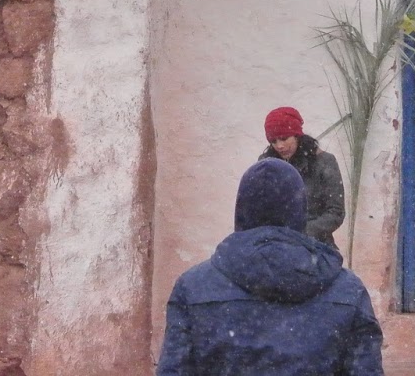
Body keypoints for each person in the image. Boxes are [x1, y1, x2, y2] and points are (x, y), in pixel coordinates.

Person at [156, 158, 384, 376]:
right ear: (300, 210)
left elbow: (174, 369)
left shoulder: (193, 287)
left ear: (241, 209)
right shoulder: (347, 290)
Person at [259, 106, 346, 249]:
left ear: (296, 135)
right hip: (274, 245)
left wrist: (301, 233)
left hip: (316, 246)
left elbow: (336, 213)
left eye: (284, 138)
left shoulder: (324, 162)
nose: (280, 146)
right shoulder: (266, 164)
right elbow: (258, 208)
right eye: (274, 141)